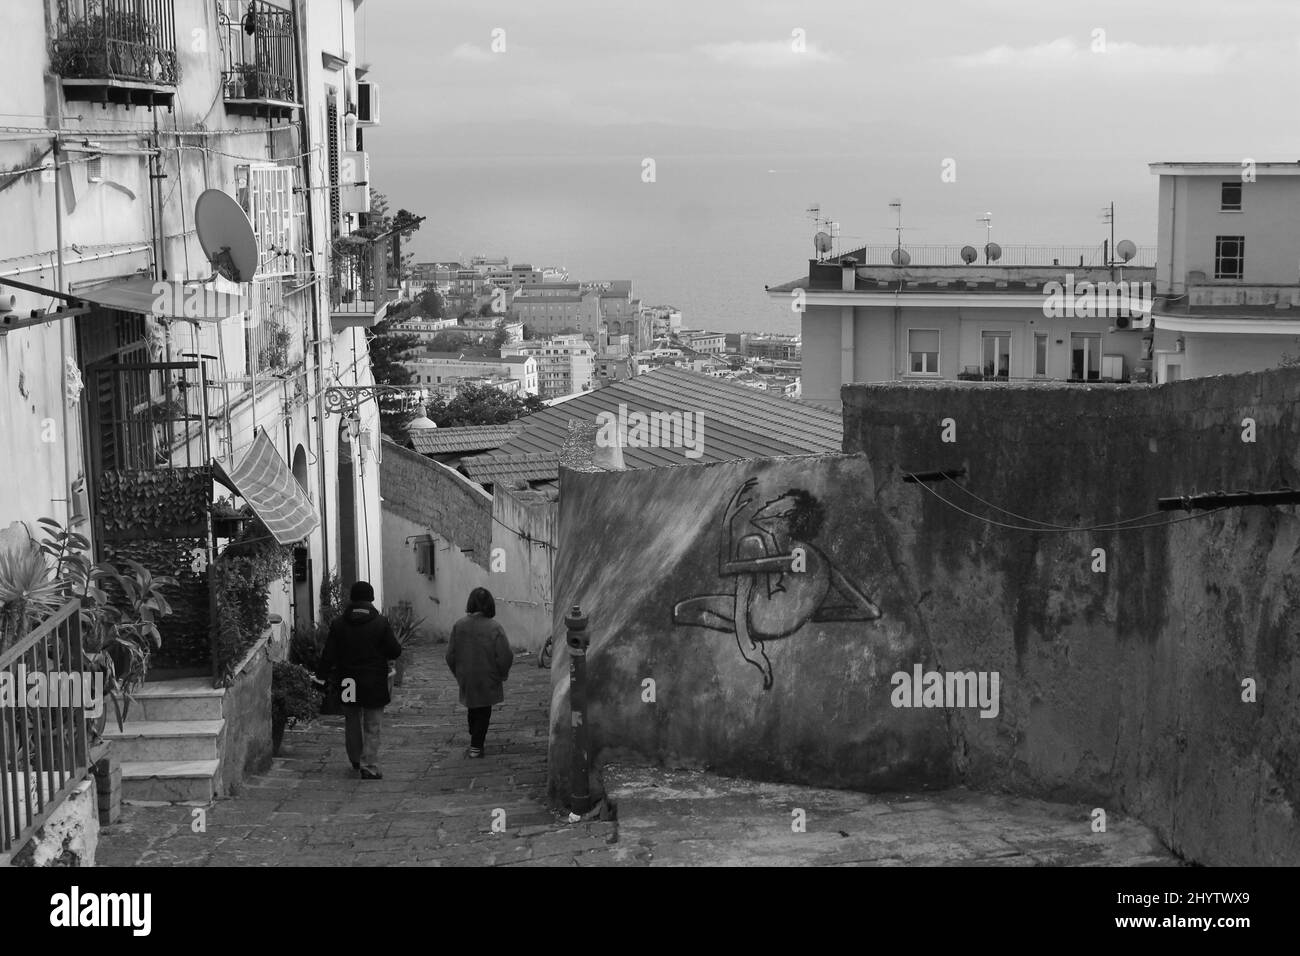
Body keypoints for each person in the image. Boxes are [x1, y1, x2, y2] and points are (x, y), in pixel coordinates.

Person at [317, 581, 401, 779]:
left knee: (352, 720)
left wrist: (321, 676)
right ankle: (369, 765)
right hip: (374, 680)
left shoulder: (338, 623)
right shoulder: (381, 623)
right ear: (371, 599)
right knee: (373, 724)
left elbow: (328, 654)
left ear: (352, 599)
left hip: (348, 680)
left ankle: (355, 758)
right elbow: (395, 651)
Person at [446, 587, 514, 758]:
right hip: (488, 675)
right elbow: (505, 655)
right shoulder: (494, 627)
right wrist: (502, 673)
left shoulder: (459, 626)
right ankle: (476, 745)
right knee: (484, 710)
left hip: (467, 675)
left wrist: (458, 672)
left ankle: (474, 734)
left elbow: (450, 655)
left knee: (473, 706)